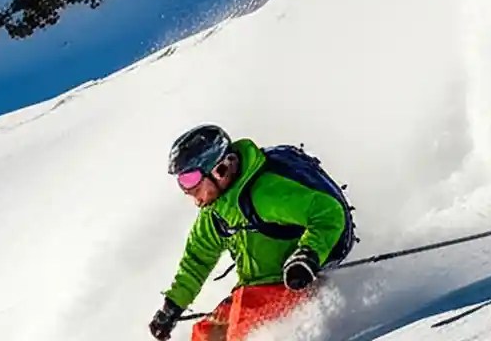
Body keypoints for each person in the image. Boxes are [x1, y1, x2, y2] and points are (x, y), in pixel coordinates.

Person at [148, 125, 352, 340]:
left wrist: (308, 254)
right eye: (182, 182)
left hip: (289, 282)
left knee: (242, 337)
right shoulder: (214, 213)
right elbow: (197, 261)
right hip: (254, 288)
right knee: (205, 335)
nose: (188, 190)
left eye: (191, 180)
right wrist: (171, 308)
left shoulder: (265, 194)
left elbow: (328, 212)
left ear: (220, 170)